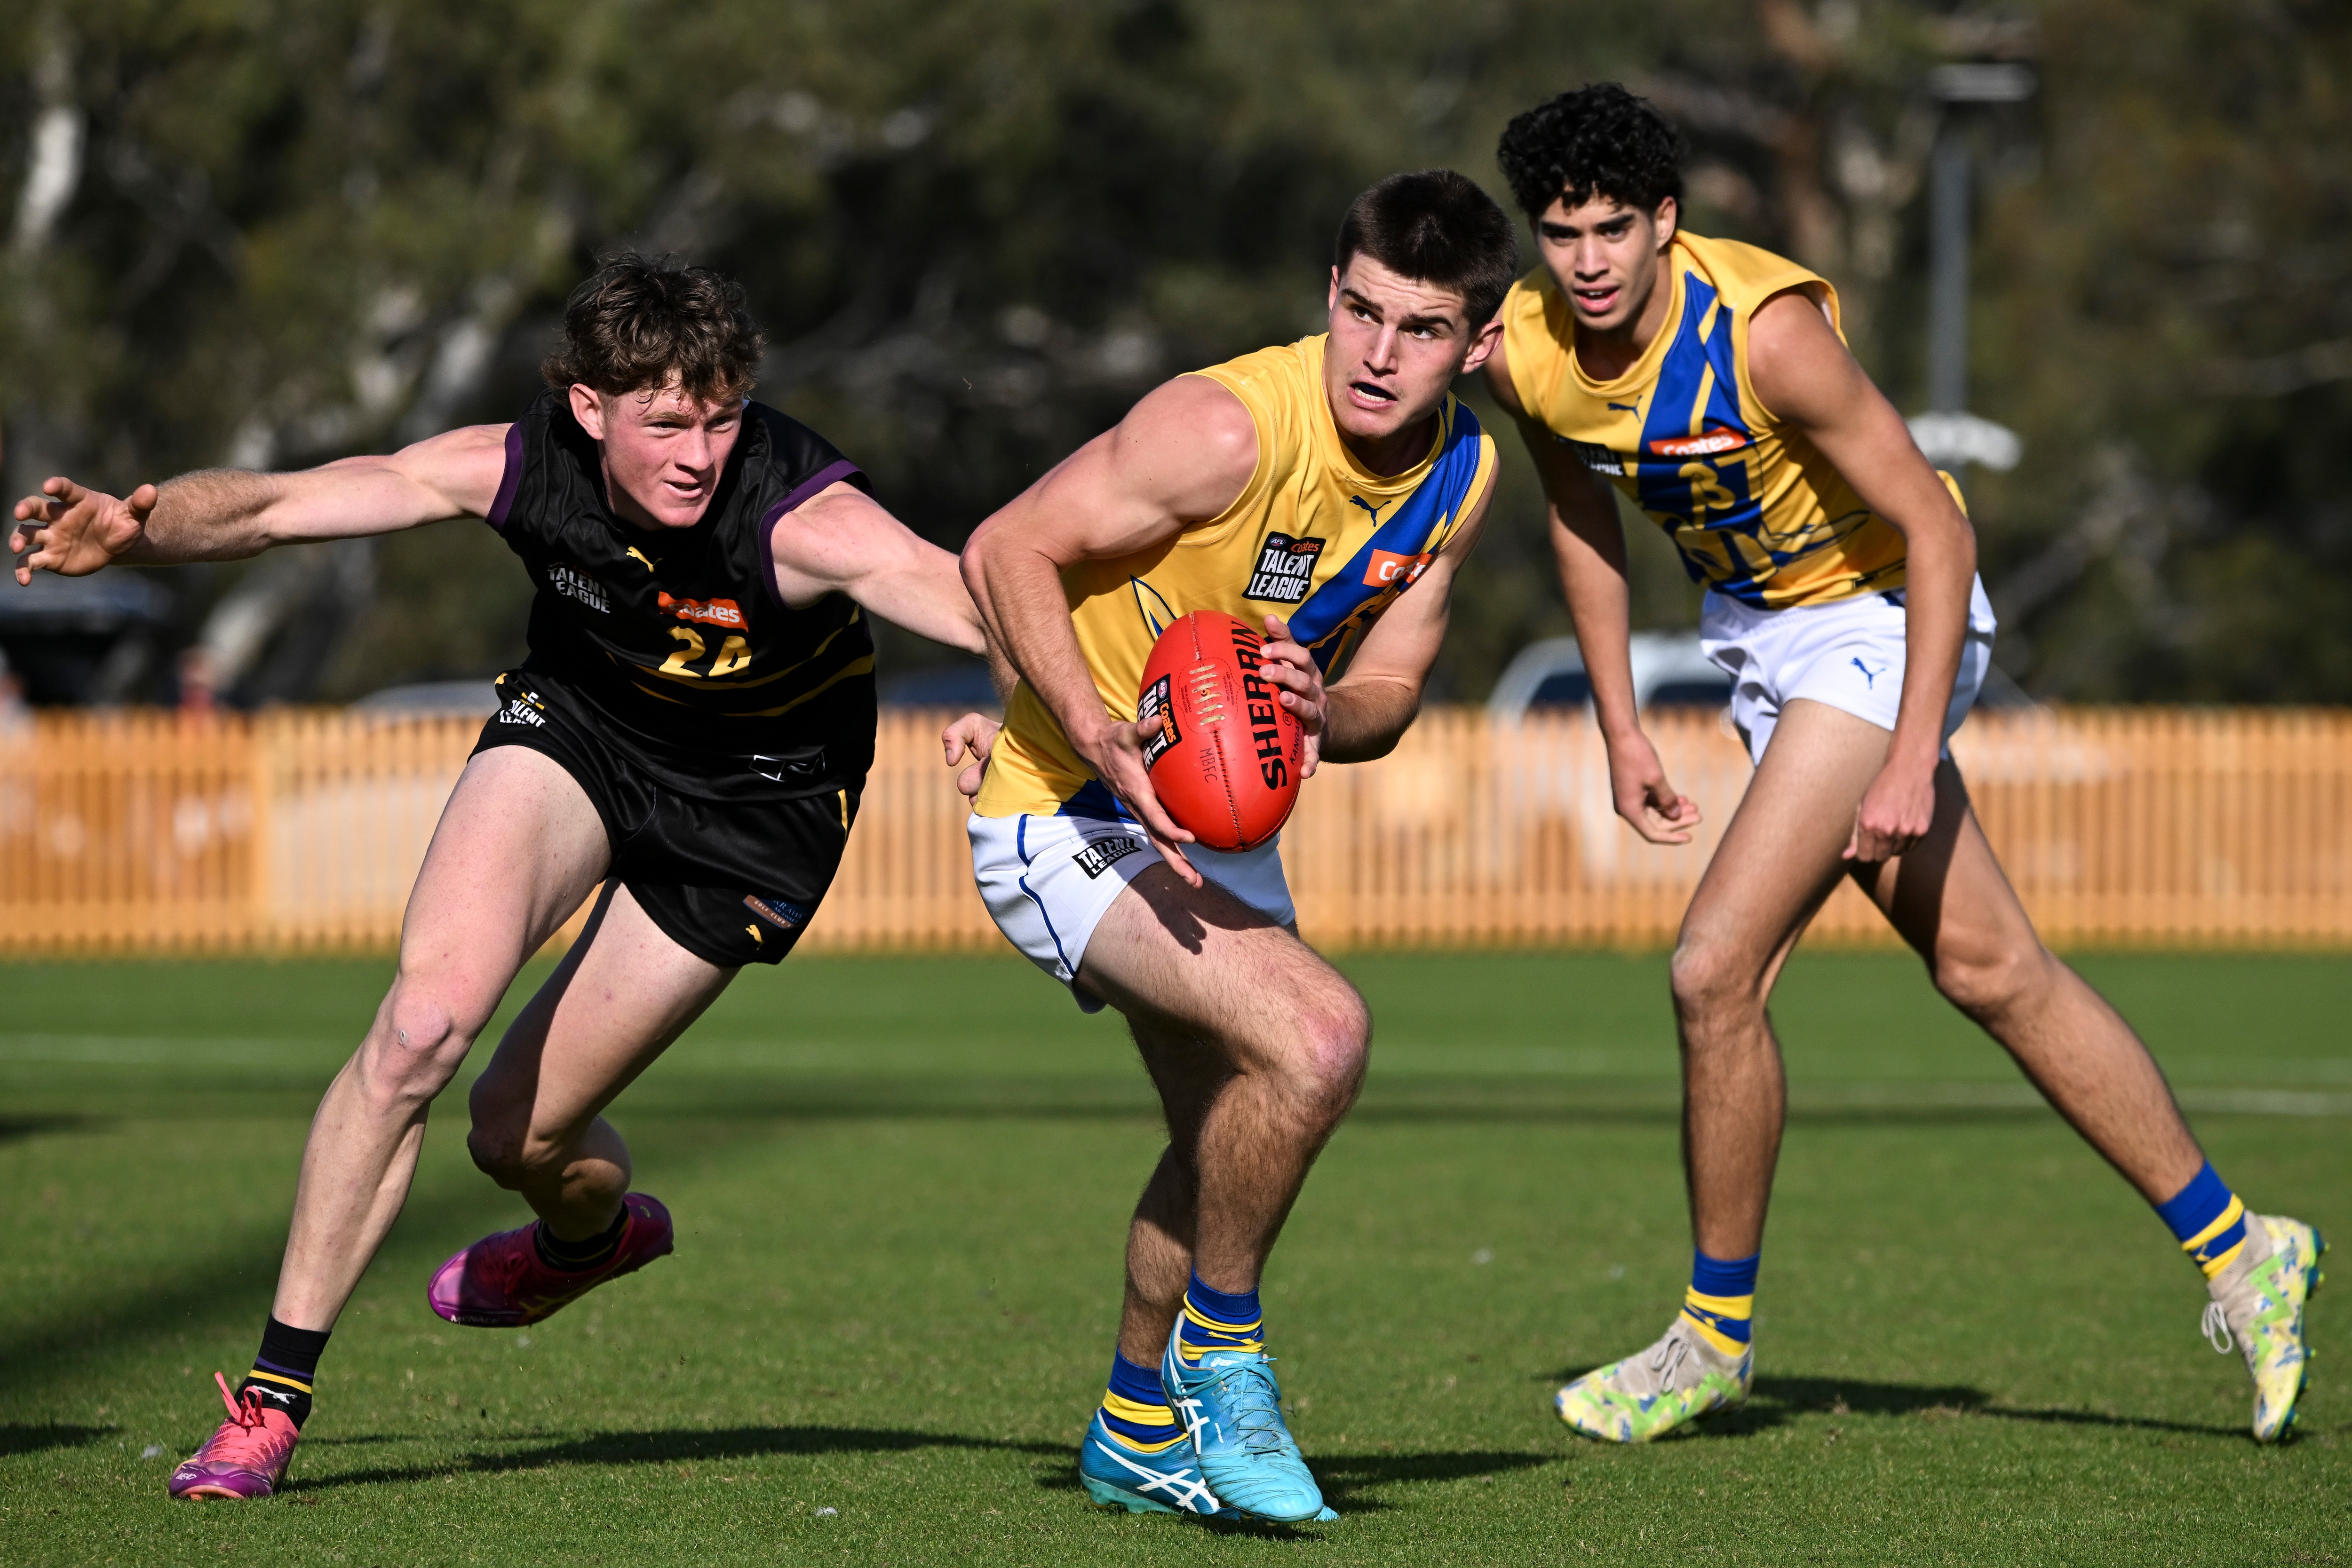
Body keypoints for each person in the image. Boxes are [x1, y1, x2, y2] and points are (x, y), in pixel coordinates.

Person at [10, 255, 993, 1498]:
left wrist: (1025, 707)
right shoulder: (521, 464)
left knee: (516, 1133)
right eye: (666, 423)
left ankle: (587, 1236)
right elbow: (277, 507)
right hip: (583, 735)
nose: (700, 453)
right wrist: (140, 533)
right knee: (420, 1027)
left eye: (722, 416)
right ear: (589, 410)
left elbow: (977, 599)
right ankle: (271, 1403)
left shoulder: (803, 513)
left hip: (754, 813)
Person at [1483, 84, 2322, 1446]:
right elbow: (1579, 515)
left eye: (1613, 230)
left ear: (1667, 225)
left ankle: (1714, 1336)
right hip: (1763, 643)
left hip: (1880, 624)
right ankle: (2246, 1248)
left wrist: (1912, 752)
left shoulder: (1768, 334)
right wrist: (1621, 724)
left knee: (1713, 970)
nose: (1585, 260)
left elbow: (1938, 531)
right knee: (1991, 969)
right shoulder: (1526, 348)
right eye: (1561, 231)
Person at [949, 170, 1513, 1522]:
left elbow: (1394, 694)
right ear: (1330, 292)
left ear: (1478, 347)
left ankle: (1139, 1423)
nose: (1380, 355)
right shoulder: (1223, 431)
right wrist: (1092, 732)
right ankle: (1227, 1356)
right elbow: (1004, 546)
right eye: (1363, 313)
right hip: (1063, 804)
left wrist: (1335, 701)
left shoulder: (1464, 473)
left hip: (1219, 826)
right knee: (1318, 1041)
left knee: (1230, 1128)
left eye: (1423, 330)